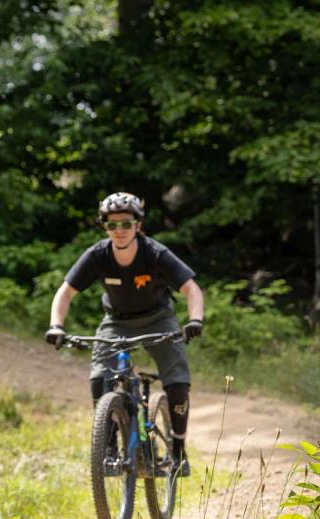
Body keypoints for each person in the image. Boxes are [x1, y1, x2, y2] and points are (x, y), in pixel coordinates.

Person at [44, 192, 203, 476]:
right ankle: (108, 449)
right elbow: (65, 293)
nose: (119, 231)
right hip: (116, 322)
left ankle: (178, 451)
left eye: (126, 224)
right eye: (112, 225)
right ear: (105, 227)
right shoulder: (97, 255)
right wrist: (56, 325)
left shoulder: (155, 253)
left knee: (177, 380)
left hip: (159, 319)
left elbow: (191, 288)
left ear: (138, 226)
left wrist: (194, 320)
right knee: (98, 378)